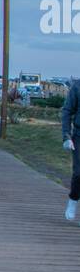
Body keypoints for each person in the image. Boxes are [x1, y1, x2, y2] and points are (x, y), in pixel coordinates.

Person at [61, 76, 80, 221]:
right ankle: (73, 200)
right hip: (79, 135)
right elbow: (67, 111)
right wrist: (66, 136)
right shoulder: (77, 87)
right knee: (79, 173)